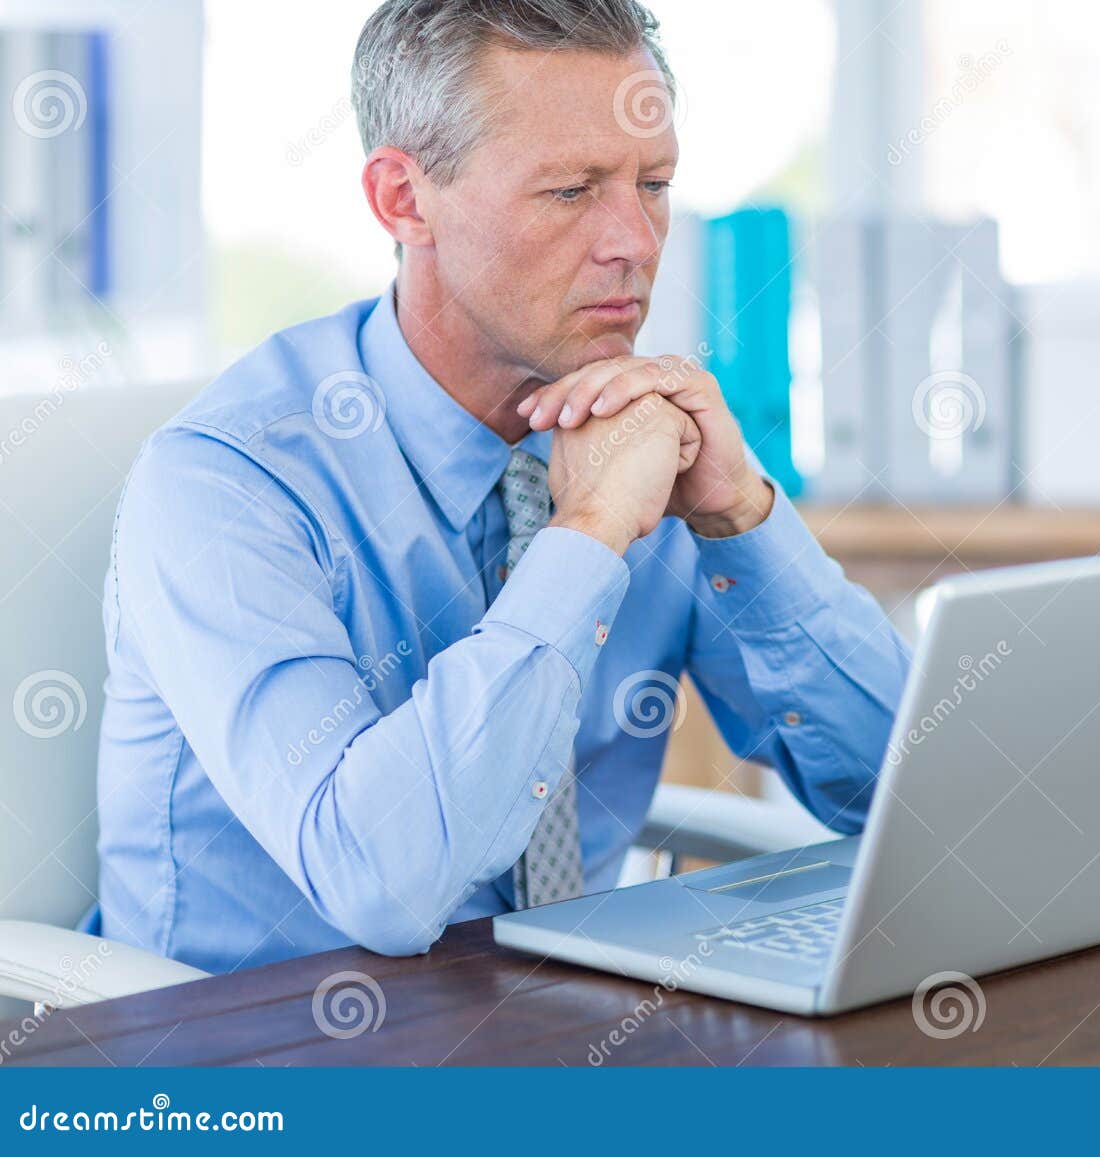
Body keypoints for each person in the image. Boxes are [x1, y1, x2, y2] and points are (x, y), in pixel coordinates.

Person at [92, 0, 909, 974]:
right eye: (569, 191)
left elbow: (904, 798)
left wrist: (741, 517)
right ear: (403, 198)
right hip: (257, 1069)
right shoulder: (228, 485)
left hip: (566, 1037)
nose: (635, 243)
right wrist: (588, 534)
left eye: (653, 184)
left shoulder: (652, 444)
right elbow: (381, 882)